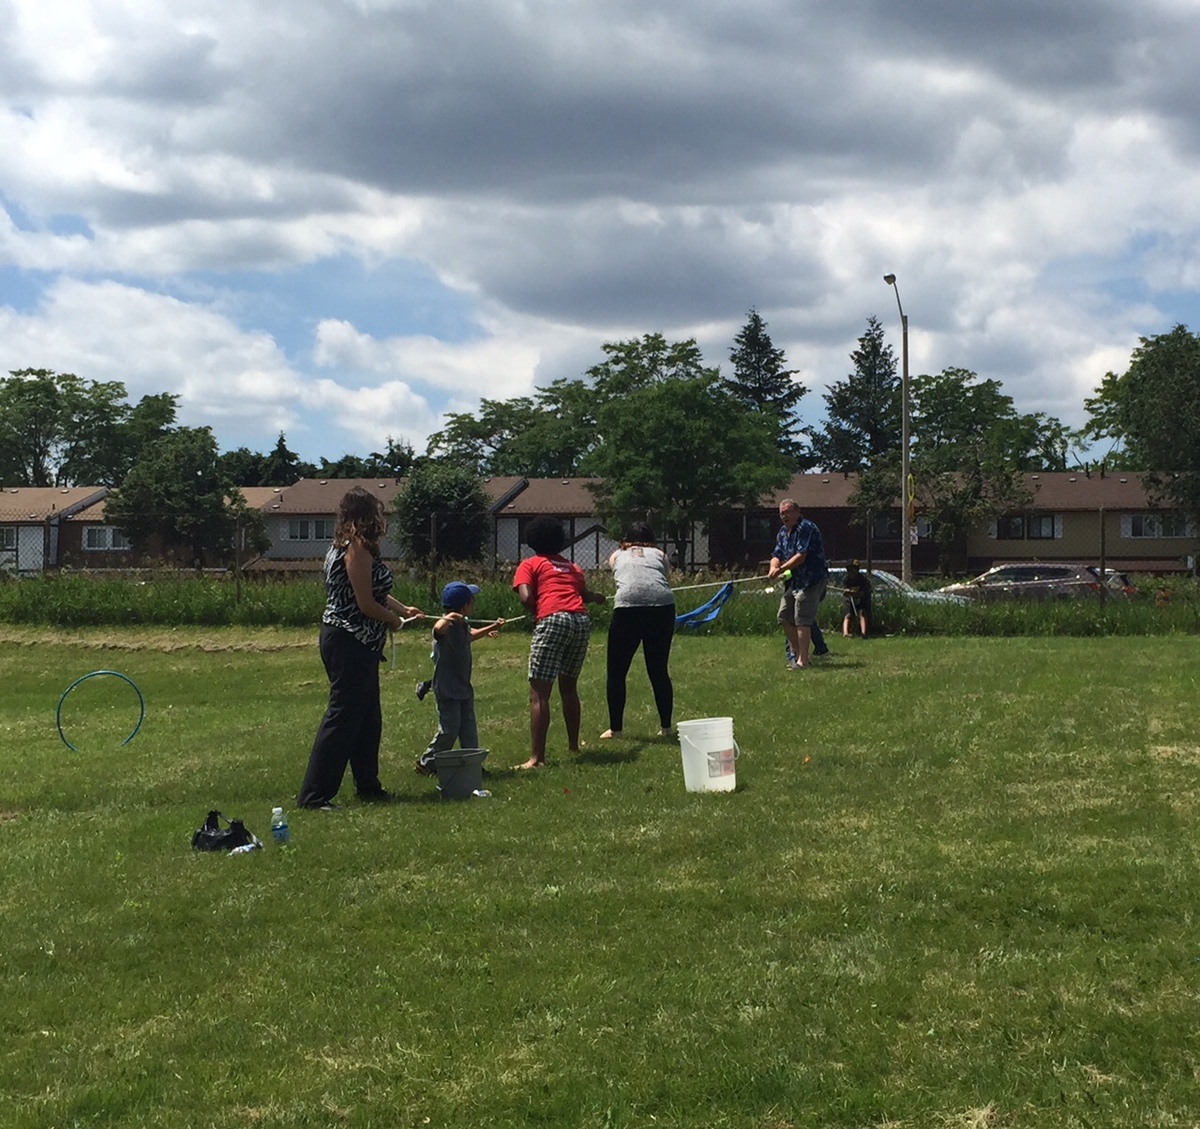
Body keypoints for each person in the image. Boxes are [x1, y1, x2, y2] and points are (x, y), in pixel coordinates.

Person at [297, 487, 424, 809]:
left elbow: (372, 589)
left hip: (358, 641)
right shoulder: (355, 548)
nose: (381, 520)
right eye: (377, 514)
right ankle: (314, 796)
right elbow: (365, 603)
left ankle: (368, 785)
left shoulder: (353, 547)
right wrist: (394, 621)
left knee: (368, 718)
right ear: (365, 516)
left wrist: (402, 608)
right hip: (348, 639)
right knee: (343, 717)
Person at [512, 516, 606, 769]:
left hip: (553, 620)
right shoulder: (572, 567)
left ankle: (536, 758)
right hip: (580, 621)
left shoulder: (530, 564)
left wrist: (537, 613)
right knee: (569, 688)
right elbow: (585, 595)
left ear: (532, 540)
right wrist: (599, 598)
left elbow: (525, 596)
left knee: (539, 694)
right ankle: (573, 746)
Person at [414, 582, 504, 776]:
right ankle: (426, 763)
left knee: (468, 729)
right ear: (465, 605)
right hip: (447, 688)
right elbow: (437, 629)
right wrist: (449, 617)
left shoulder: (463, 625)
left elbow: (469, 637)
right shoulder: (446, 627)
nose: (474, 604)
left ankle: (473, 766)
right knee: (449, 730)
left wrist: (491, 627)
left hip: (463, 686)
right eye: (472, 601)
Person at [601, 523, 675, 740]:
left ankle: (616, 730)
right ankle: (666, 728)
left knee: (616, 672)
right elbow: (665, 576)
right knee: (658, 670)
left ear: (625, 540)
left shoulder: (617, 555)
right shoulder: (660, 554)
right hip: (662, 607)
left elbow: (617, 573)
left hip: (627, 607)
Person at [767, 498, 828, 670]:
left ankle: (802, 661)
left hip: (811, 580)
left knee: (802, 619)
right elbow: (776, 553)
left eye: (787, 511)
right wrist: (773, 566)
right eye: (781, 513)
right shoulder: (783, 532)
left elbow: (801, 556)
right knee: (784, 616)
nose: (784, 515)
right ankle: (798, 653)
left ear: (797, 512)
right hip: (795, 581)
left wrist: (782, 569)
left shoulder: (806, 527)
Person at [842, 560, 871, 639]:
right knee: (847, 615)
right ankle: (845, 632)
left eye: (852, 569)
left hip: (860, 599)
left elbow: (863, 593)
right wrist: (847, 592)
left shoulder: (862, 580)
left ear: (857, 570)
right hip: (849, 599)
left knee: (862, 614)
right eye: (848, 570)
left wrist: (854, 593)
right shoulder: (846, 579)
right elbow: (844, 592)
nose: (850, 572)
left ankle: (863, 633)